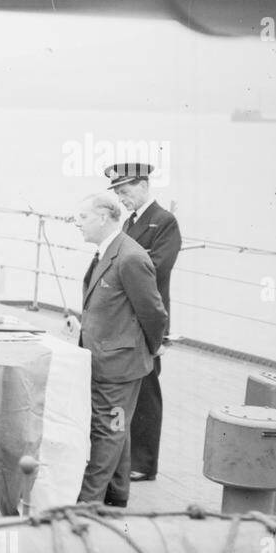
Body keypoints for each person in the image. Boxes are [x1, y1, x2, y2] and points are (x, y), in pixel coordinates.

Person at [68, 192, 168, 508]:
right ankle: (117, 493)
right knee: (116, 426)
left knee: (106, 430)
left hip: (118, 366)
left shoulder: (130, 257)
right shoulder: (108, 252)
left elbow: (154, 313)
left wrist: (150, 350)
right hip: (106, 358)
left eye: (82, 217)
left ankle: (89, 502)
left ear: (103, 217)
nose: (77, 223)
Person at [106, 161, 182, 483]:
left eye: (125, 192)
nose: (122, 199)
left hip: (148, 318)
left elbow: (157, 267)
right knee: (132, 387)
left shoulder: (165, 222)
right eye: (119, 193)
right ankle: (128, 456)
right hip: (127, 317)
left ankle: (145, 464)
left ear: (142, 185)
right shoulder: (129, 223)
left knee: (148, 390)